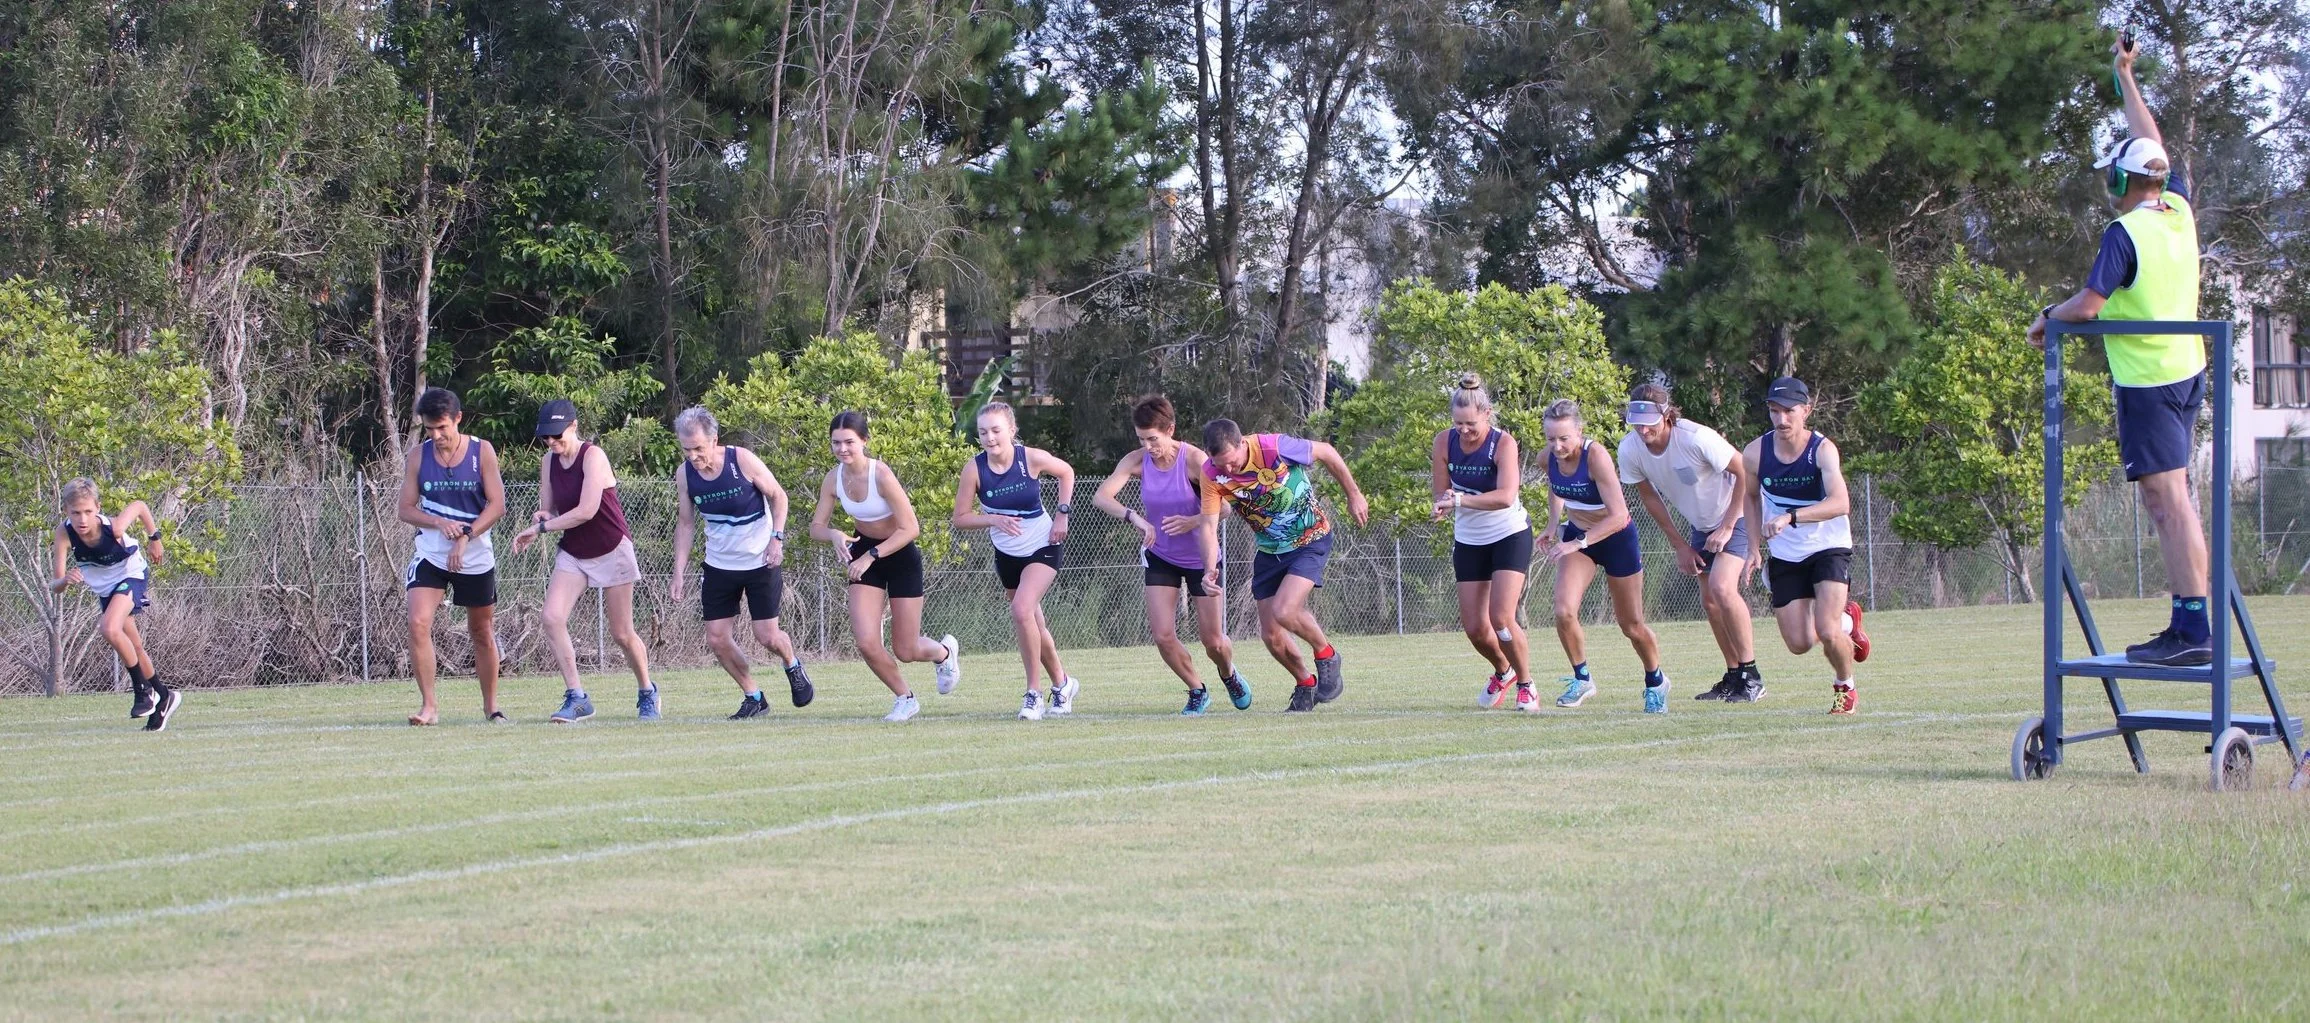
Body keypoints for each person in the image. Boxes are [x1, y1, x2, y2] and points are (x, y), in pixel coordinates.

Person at [2029, 35, 2210, 668]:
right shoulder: (2177, 211)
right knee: (2173, 499)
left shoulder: (2124, 229)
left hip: (2148, 383)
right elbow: (2153, 139)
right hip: (2187, 373)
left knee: (2170, 504)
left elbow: (2088, 306)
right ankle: (2192, 622)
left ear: (2121, 180)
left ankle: (2192, 629)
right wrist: (2125, 78)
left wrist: (2045, 320)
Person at [1197, 418, 1369, 713]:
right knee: (1271, 636)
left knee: (1286, 611)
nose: (1228, 470)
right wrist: (1210, 566)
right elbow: (1209, 528)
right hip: (1269, 551)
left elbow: (1326, 451)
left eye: (1232, 461)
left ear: (1242, 444)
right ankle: (1304, 684)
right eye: (1220, 464)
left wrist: (1353, 494)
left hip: (1310, 538)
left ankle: (1326, 654)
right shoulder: (1211, 474)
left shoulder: (1273, 447)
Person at [1092, 395, 1250, 715]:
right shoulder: (1136, 460)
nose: (1148, 446)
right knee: (1163, 636)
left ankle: (1228, 674)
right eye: (1141, 439)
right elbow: (1101, 496)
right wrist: (1134, 517)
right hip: (1160, 554)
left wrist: (1194, 520)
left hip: (1200, 558)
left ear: (1171, 430)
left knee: (1214, 642)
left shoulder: (1194, 461)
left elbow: (1226, 508)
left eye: (1153, 439)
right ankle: (1196, 690)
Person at [510, 399, 659, 723]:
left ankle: (647, 690)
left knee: (622, 634)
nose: (551, 442)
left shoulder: (594, 457)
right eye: (545, 437)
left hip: (611, 548)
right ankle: (577, 697)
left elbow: (587, 511)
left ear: (574, 426)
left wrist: (541, 526)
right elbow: (549, 507)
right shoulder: (548, 461)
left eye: (557, 435)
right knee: (551, 618)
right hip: (575, 552)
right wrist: (543, 516)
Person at [807, 410, 961, 722]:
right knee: (866, 642)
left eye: (849, 441)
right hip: (864, 554)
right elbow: (815, 528)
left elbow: (911, 529)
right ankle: (905, 698)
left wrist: (871, 555)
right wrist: (834, 534)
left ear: (864, 440)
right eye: (836, 443)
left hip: (899, 554)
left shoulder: (882, 475)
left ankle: (944, 653)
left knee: (906, 649)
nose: (842, 449)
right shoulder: (832, 479)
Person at [1618, 382, 1763, 703]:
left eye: (1649, 422)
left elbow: (1743, 471)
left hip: (1735, 516)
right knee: (1710, 602)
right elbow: (1649, 498)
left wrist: (1727, 525)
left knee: (1724, 590)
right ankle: (1734, 674)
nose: (1643, 430)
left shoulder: (1696, 438)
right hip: (1702, 526)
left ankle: (1752, 676)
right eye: (1636, 423)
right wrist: (1680, 545)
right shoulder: (1629, 449)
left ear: (1667, 416)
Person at [668, 406, 814, 721]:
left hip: (760, 560)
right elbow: (685, 523)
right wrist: (678, 571)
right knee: (717, 639)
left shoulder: (741, 460)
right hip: (719, 566)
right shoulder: (685, 475)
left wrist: (777, 538)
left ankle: (792, 663)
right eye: (686, 449)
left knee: (767, 636)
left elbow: (779, 497)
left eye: (699, 448)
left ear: (714, 440)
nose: (693, 455)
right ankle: (753, 696)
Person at [1742, 377, 1872, 716]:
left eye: (1789, 411)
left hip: (1829, 546)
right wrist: (1753, 548)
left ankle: (1845, 686)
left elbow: (1841, 502)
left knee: (1826, 631)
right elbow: (1751, 496)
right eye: (1774, 411)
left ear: (1806, 410)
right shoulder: (1755, 453)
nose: (1781, 420)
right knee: (1799, 643)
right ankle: (1849, 624)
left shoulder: (1822, 450)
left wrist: (1791, 517)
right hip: (1785, 553)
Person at [952, 403, 1081, 721]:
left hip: (1042, 545)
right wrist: (993, 519)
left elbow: (1066, 471)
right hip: (1007, 555)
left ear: (1011, 429)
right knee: (1034, 625)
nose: (989, 437)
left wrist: (1062, 515)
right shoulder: (975, 469)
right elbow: (961, 518)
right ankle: (1062, 684)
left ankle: (1033, 694)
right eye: (983, 432)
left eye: (996, 430)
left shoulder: (1029, 458)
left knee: (1021, 610)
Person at [1540, 399, 1671, 713]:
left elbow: (1619, 516)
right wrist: (1551, 525)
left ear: (1579, 431)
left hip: (1615, 540)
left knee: (1632, 625)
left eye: (1564, 438)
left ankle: (1656, 681)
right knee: (1563, 611)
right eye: (1550, 439)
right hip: (1578, 538)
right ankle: (1582, 679)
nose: (1556, 446)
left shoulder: (1595, 456)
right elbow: (1557, 488)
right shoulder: (1547, 458)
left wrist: (1576, 543)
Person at [394, 387, 509, 726]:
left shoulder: (481, 451)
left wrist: (466, 537)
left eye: (442, 427)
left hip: (474, 554)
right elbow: (405, 509)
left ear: (458, 419)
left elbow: (498, 505)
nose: (437, 435)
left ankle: (491, 707)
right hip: (431, 554)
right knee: (417, 623)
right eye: (430, 429)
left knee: (481, 632)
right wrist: (438, 522)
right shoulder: (418, 456)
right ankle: (429, 707)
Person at [1429, 375, 1538, 712]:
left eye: (1471, 424)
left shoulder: (1503, 444)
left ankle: (1526, 683)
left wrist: (1459, 501)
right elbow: (1441, 490)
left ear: (1487, 414)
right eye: (1458, 423)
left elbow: (1506, 496)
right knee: (1476, 628)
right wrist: (1442, 505)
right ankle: (1502, 671)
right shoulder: (1443, 442)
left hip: (1509, 534)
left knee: (1501, 618)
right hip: (1470, 538)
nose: (1464, 430)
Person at [50, 479, 176, 731]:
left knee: (108, 628)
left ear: (97, 507)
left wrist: (155, 538)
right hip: (107, 589)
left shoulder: (114, 529)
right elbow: (55, 585)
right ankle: (164, 696)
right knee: (135, 647)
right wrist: (65, 580)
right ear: (66, 511)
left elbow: (139, 505)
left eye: (88, 511)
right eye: (76, 513)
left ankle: (143, 692)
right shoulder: (64, 533)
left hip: (131, 575)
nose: (82, 519)